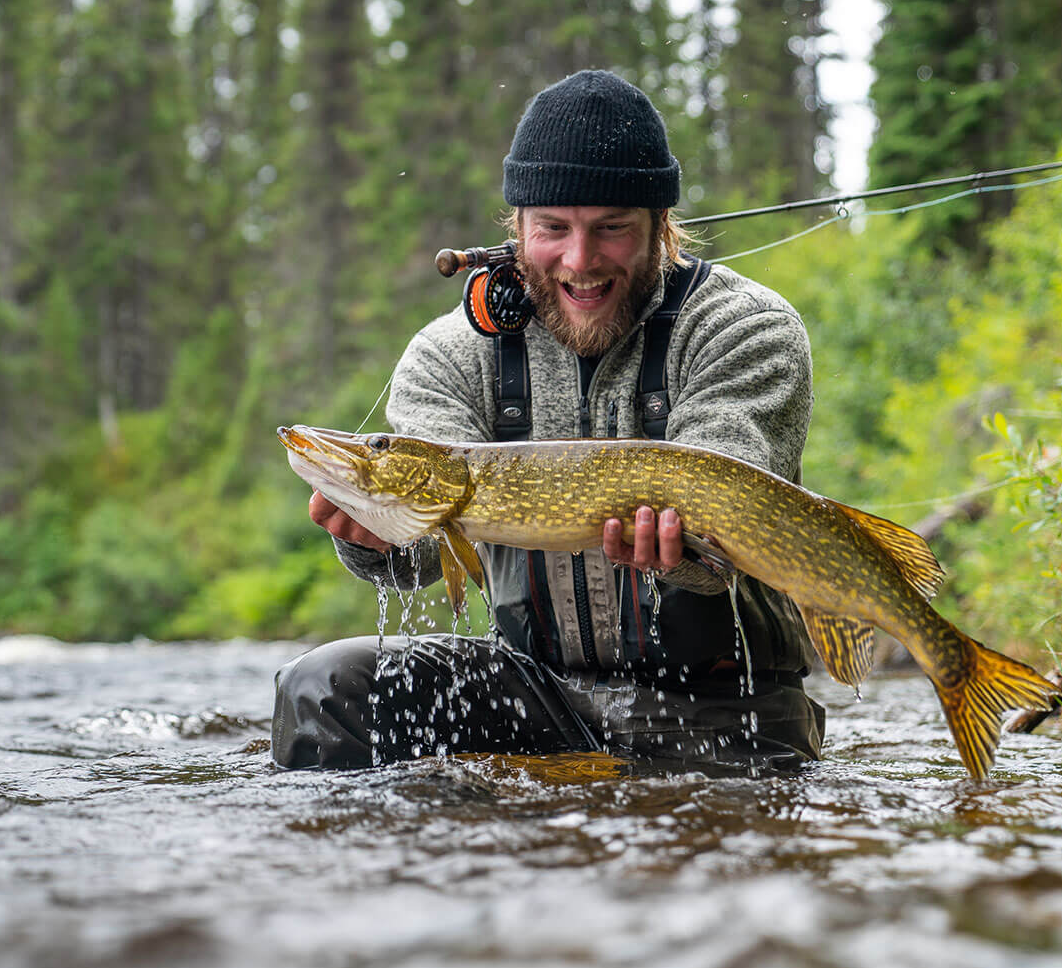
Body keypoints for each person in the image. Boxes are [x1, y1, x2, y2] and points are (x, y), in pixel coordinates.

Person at [271, 69, 826, 773]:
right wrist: (376, 540)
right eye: (553, 229)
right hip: (541, 698)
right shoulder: (451, 355)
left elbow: (727, 528)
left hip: (725, 704)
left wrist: (687, 551)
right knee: (327, 688)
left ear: (662, 225)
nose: (580, 260)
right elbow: (420, 553)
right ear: (517, 227)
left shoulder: (744, 327)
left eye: (612, 229)